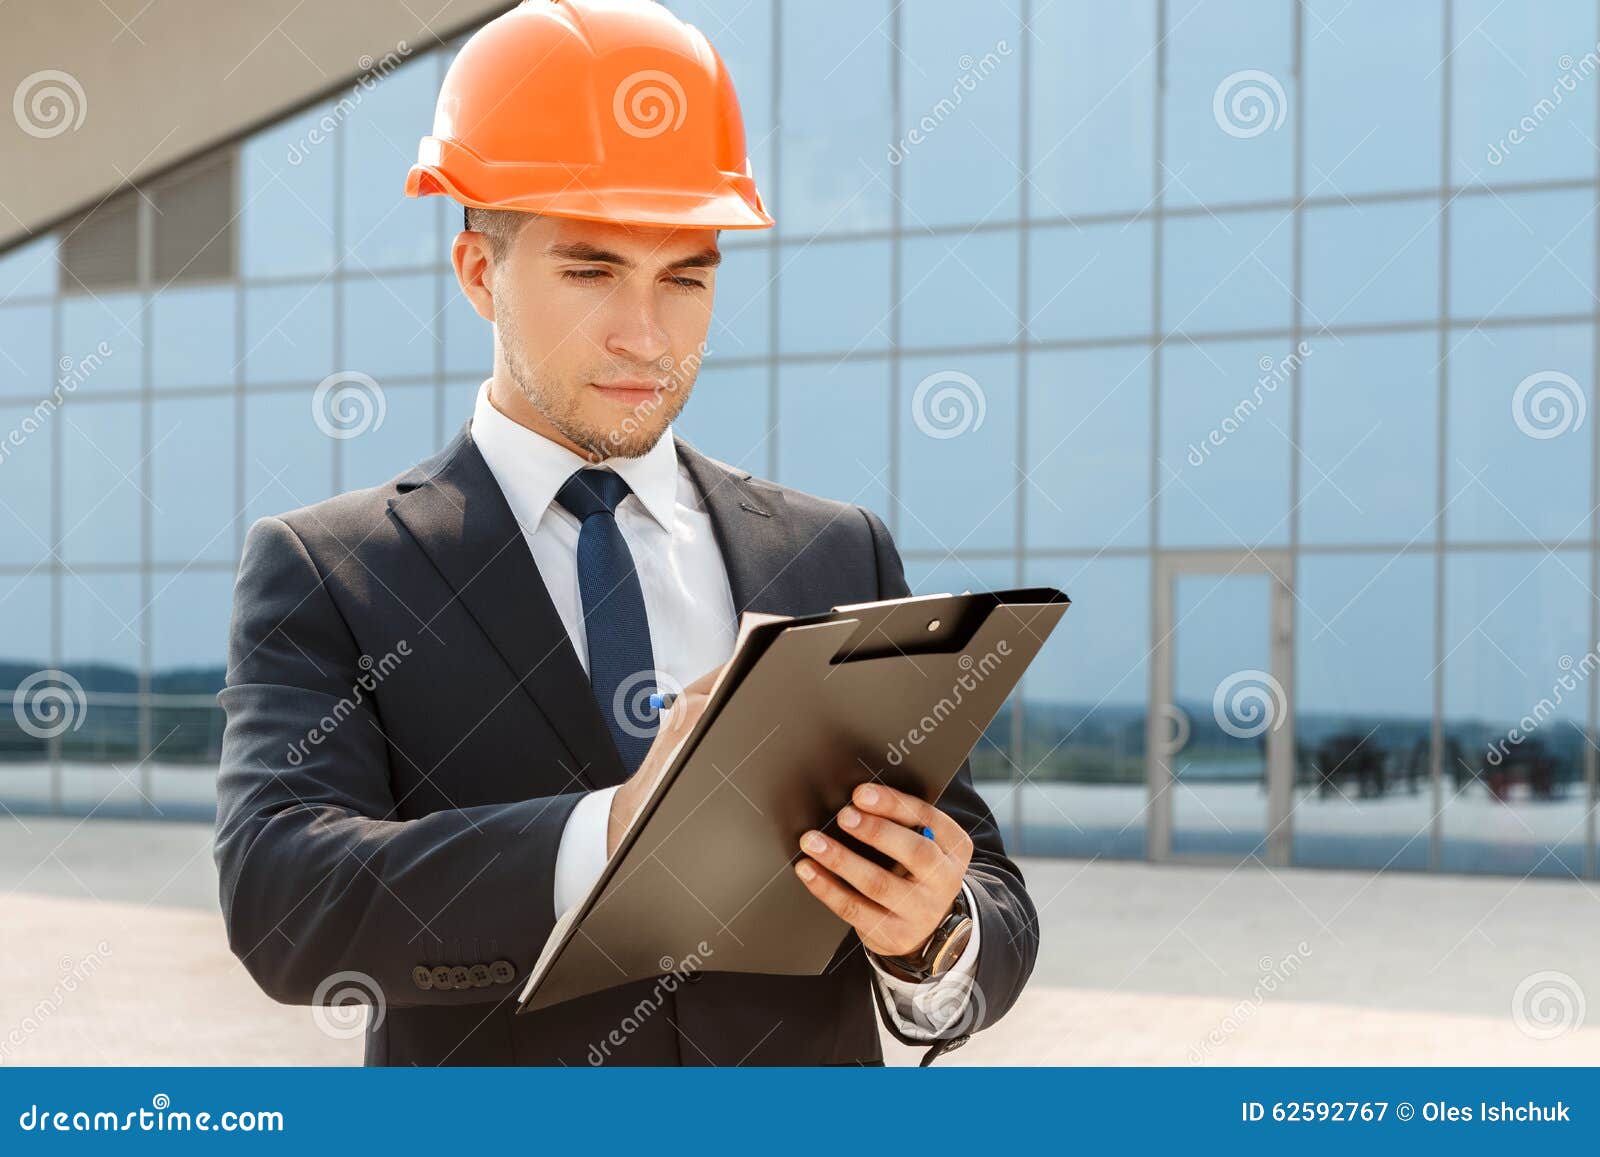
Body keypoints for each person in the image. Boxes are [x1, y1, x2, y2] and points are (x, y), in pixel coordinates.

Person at [213, 0, 1037, 1066]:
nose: (646, 337)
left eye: (685, 277)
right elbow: (284, 898)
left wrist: (931, 934)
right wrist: (609, 836)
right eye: (591, 271)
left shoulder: (835, 552)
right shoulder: (335, 569)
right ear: (480, 272)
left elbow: (986, 891)